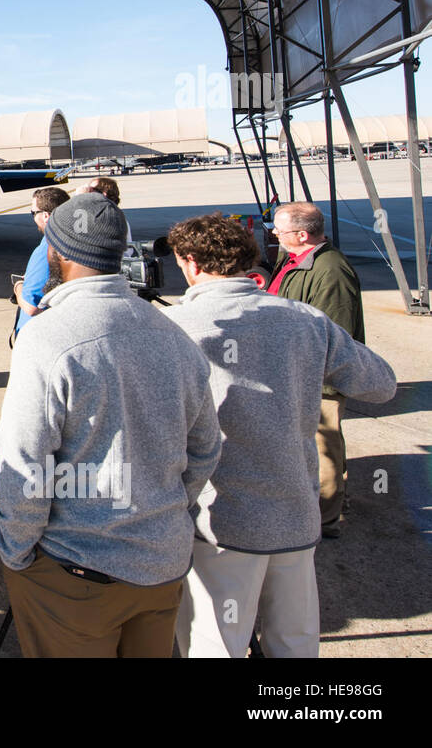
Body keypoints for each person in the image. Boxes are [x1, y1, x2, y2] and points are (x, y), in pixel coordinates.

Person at [0, 195, 222, 657]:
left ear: (60, 252)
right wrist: (163, 510)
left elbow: (25, 459)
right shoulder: (172, 332)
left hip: (75, 571)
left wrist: (16, 550)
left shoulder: (47, 337)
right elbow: (204, 447)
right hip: (161, 565)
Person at [164, 215, 395, 656]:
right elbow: (380, 382)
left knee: (215, 644)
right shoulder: (304, 320)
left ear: (191, 264)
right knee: (295, 641)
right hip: (295, 514)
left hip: (221, 521)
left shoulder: (176, 328)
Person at [268, 201, 365, 538]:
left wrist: (310, 377)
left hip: (317, 380)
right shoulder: (297, 259)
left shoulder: (331, 271)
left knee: (325, 446)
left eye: (279, 229)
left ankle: (326, 518)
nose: (274, 233)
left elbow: (337, 333)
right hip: (297, 373)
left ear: (302, 234)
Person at [14, 187, 70, 333]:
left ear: (46, 216)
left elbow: (31, 306)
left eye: (33, 212)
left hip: (34, 335)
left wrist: (18, 286)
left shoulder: (48, 248)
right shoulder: (73, 241)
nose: (33, 217)